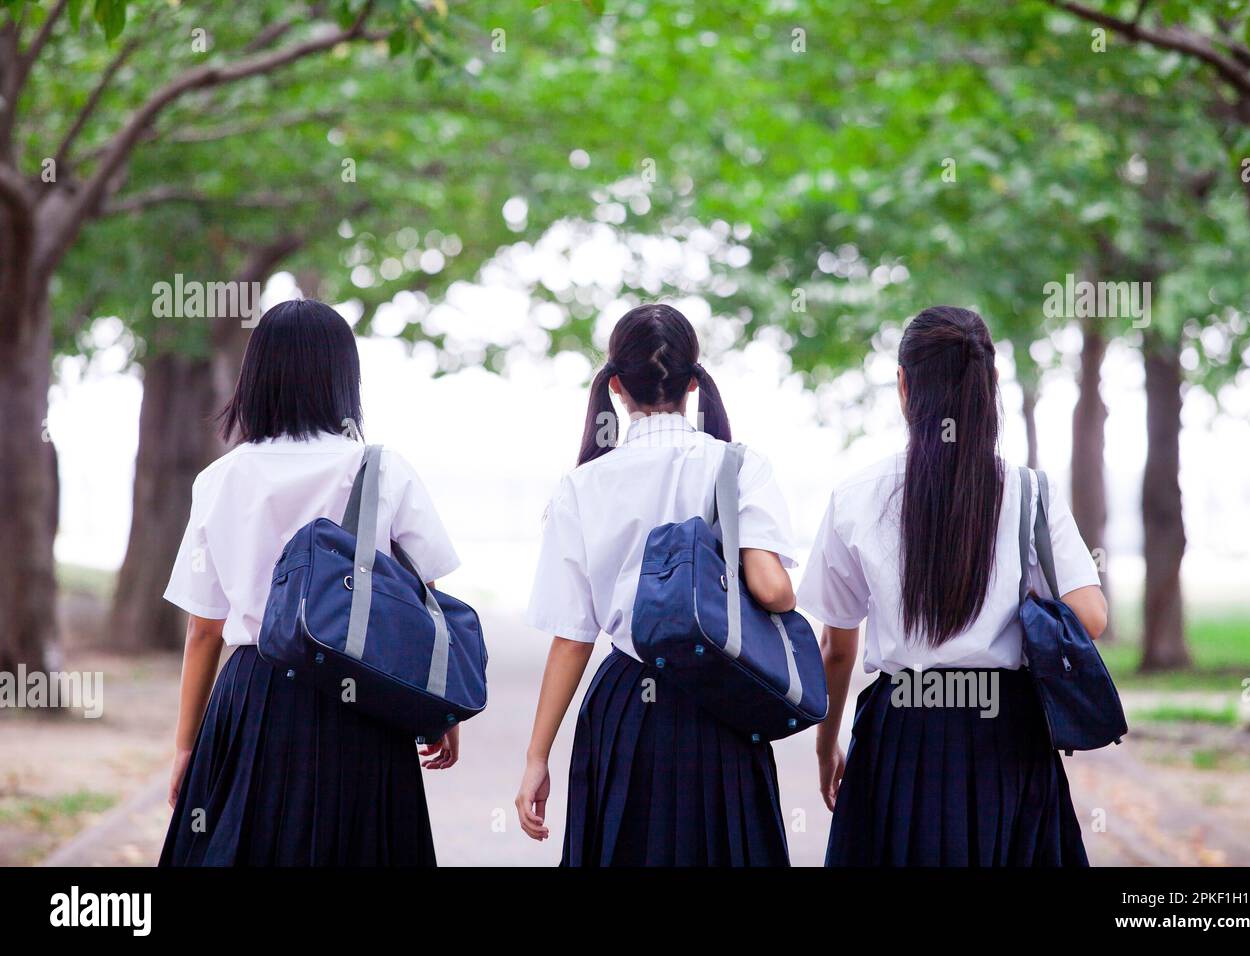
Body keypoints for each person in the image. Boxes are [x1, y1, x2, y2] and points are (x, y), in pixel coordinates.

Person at [799, 305, 1107, 867]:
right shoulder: (1028, 492)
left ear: (903, 385)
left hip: (902, 736)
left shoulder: (856, 495)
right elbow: (1090, 614)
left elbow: (836, 646)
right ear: (988, 388)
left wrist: (827, 745)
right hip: (1007, 732)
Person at [159, 299, 461, 866]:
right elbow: (429, 606)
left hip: (253, 697)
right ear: (345, 380)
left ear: (257, 378)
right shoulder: (382, 468)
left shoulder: (221, 479)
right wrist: (437, 711)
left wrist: (186, 745)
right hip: (364, 694)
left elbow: (204, 629)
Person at [515, 303, 799, 866]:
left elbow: (573, 637)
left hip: (627, 709)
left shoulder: (582, 485)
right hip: (723, 695)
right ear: (694, 383)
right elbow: (772, 591)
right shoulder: (739, 465)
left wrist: (536, 757)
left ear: (616, 387)